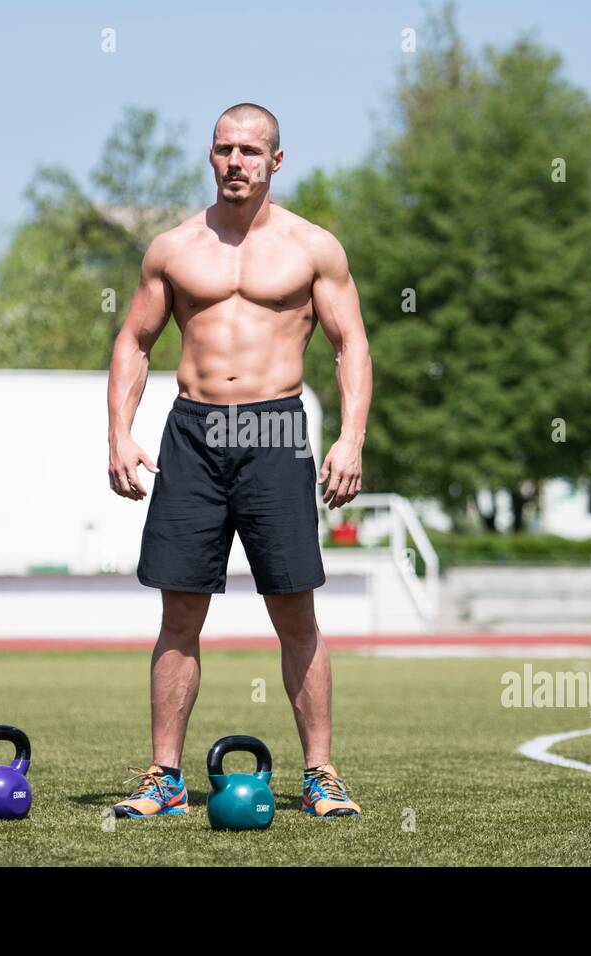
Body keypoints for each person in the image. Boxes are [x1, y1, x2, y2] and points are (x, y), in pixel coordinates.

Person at [106, 103, 372, 819]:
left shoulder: (313, 248)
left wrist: (350, 438)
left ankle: (320, 772)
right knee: (180, 609)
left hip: (276, 430)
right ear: (210, 156)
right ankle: (166, 777)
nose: (235, 162)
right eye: (224, 149)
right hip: (192, 432)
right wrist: (119, 434)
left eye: (250, 151)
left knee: (294, 609)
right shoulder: (173, 249)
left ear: (276, 161)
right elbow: (135, 339)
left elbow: (351, 344)